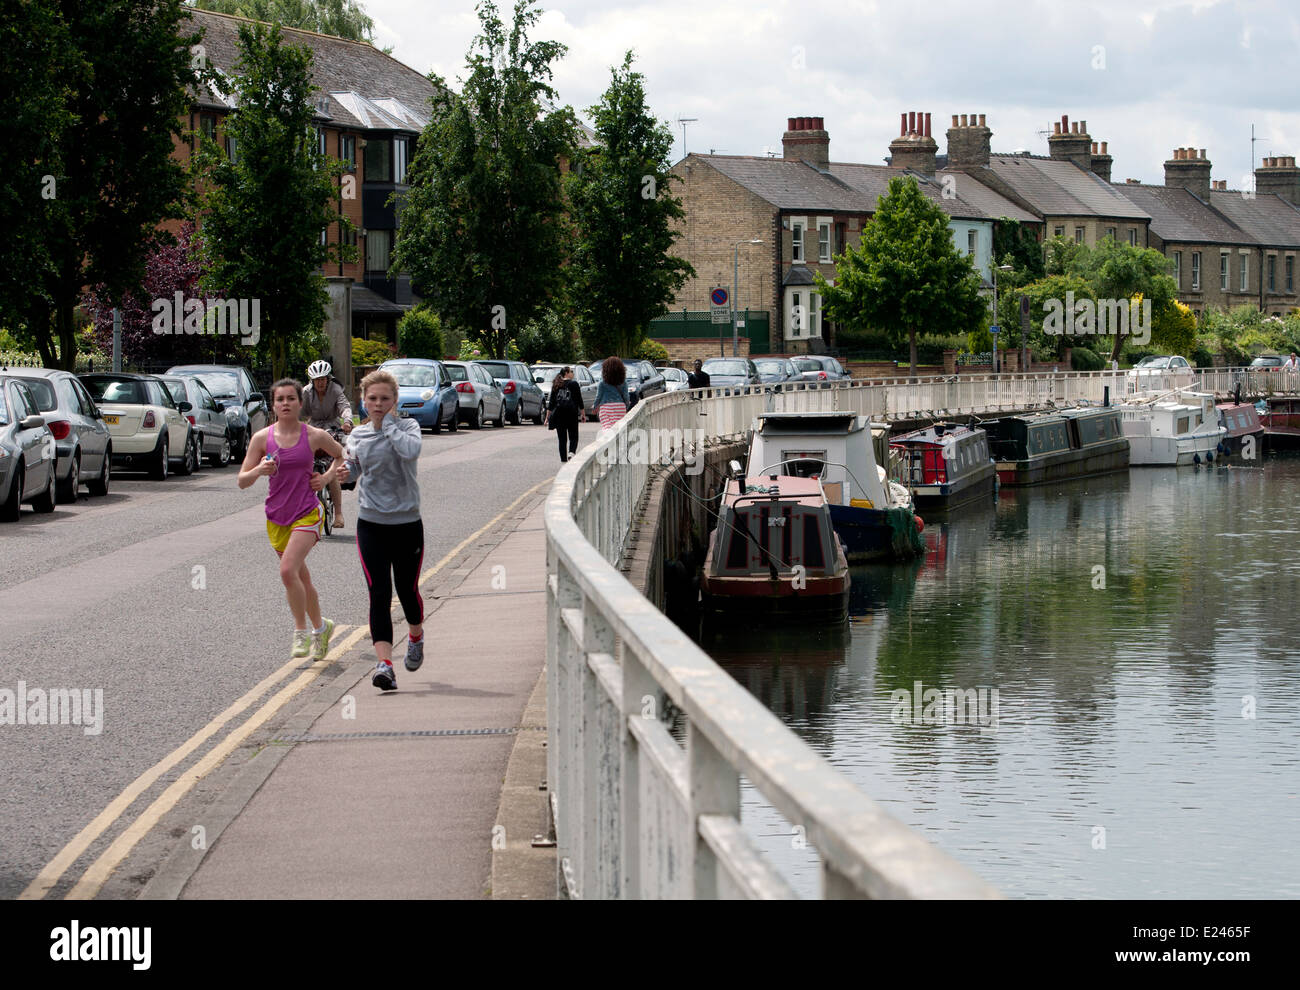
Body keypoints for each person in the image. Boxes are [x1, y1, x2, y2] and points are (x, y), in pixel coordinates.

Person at [238, 379, 347, 661]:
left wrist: (325, 478)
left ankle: (301, 633)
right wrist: (260, 470)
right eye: (280, 399)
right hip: (277, 518)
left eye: (291, 399)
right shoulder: (261, 439)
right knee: (300, 577)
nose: (285, 403)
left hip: (307, 513)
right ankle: (322, 628)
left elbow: (340, 455)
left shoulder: (314, 435)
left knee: (288, 571)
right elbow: (242, 481)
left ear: (300, 403)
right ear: (273, 405)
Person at [343, 369, 425, 692]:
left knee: (407, 590)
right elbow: (352, 473)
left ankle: (416, 635)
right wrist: (343, 474)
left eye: (385, 399)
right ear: (363, 402)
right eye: (372, 399)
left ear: (395, 401)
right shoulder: (357, 437)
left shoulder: (409, 428)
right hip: (371, 524)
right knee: (379, 592)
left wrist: (387, 424)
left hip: (406, 524)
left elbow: (409, 452)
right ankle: (385, 665)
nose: (378, 404)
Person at [301, 359, 353, 530]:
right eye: (317, 380)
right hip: (313, 430)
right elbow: (297, 411)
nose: (320, 383)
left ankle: (338, 513)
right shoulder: (306, 392)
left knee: (332, 472)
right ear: (312, 381)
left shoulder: (336, 390)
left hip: (333, 429)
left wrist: (347, 422)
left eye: (323, 379)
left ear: (328, 379)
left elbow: (345, 407)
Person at [546, 366, 583, 462]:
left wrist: (547, 417)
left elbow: (551, 403)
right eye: (571, 372)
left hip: (559, 414)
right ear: (566, 373)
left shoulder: (556, 383)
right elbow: (579, 400)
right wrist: (583, 414)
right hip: (572, 414)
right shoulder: (574, 384)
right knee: (573, 436)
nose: (572, 374)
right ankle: (571, 452)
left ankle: (563, 460)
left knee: (562, 439)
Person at [594, 356, 630, 430]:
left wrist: (595, 407)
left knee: (607, 429)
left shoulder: (602, 383)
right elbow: (626, 397)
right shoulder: (624, 383)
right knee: (619, 429)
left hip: (606, 408)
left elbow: (598, 397)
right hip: (620, 407)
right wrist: (626, 406)